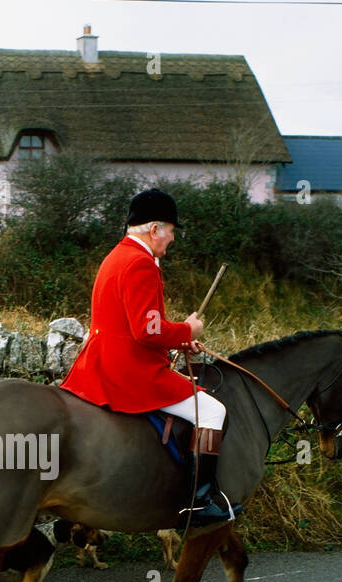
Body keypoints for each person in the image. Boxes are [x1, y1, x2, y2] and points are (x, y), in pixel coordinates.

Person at [60, 188, 234, 528]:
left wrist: (179, 344)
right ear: (154, 229)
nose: (172, 239)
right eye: (171, 230)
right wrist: (188, 331)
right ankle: (198, 503)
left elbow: (132, 327)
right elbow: (146, 331)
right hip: (129, 373)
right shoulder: (142, 264)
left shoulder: (116, 256)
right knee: (214, 411)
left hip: (98, 363)